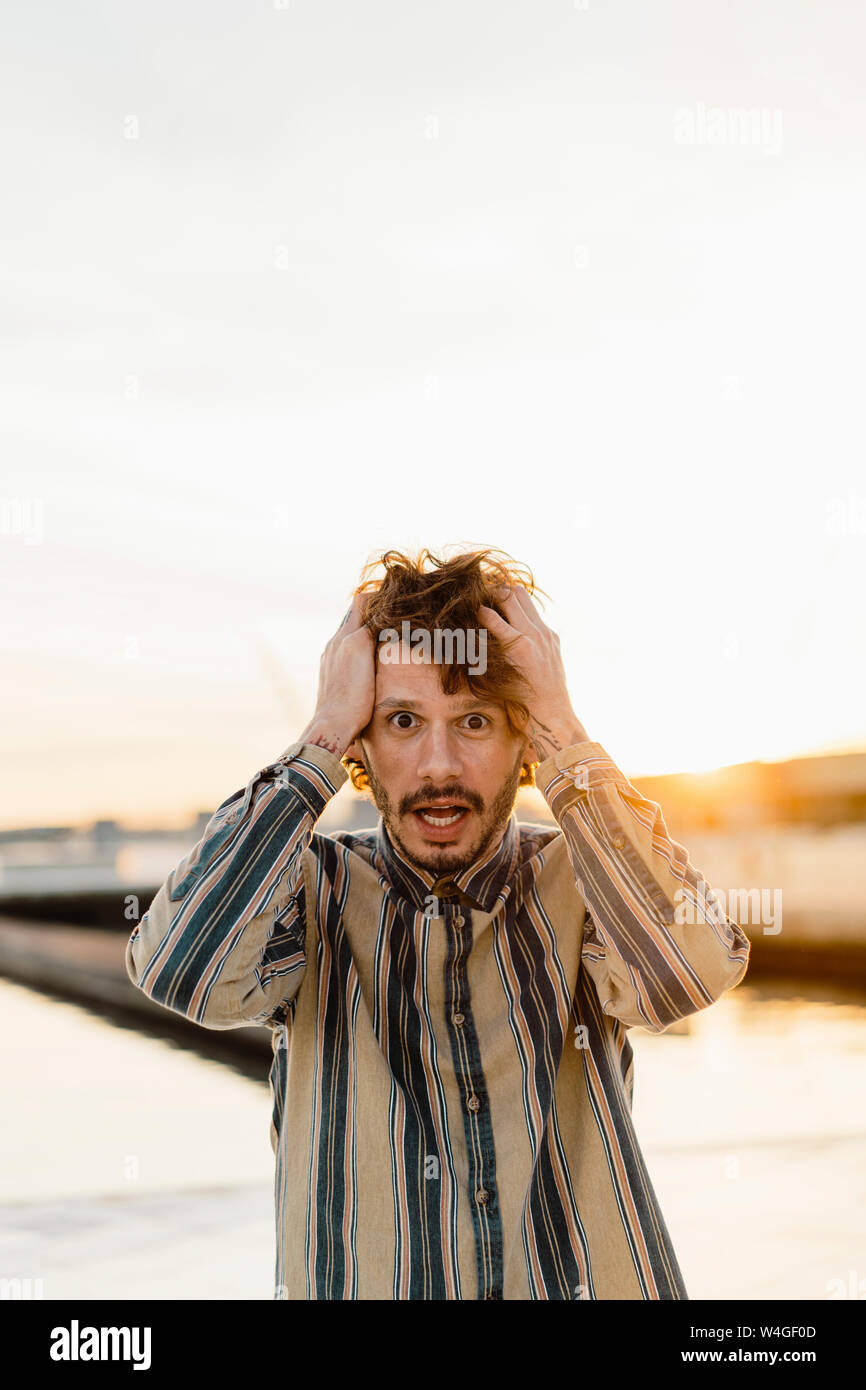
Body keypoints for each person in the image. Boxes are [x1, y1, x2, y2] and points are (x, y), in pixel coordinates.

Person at [125, 546, 750, 1300]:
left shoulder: (583, 879)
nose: (438, 765)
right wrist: (322, 733)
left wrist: (565, 729)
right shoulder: (306, 890)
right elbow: (178, 970)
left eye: (477, 721)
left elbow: (691, 973)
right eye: (402, 721)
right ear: (364, 743)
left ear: (524, 743)